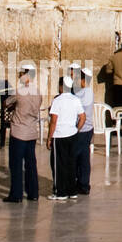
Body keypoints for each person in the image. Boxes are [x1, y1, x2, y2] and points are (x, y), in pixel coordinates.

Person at [4, 65, 41, 203]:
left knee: (16, 164)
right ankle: (33, 193)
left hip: (19, 132)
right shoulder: (38, 92)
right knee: (31, 164)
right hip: (31, 132)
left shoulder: (19, 92)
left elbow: (7, 103)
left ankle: (16, 194)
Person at [47, 76, 86, 201]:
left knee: (58, 164)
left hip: (59, 135)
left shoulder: (57, 100)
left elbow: (53, 121)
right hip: (72, 134)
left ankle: (60, 192)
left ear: (60, 86)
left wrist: (49, 137)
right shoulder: (75, 99)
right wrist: (76, 129)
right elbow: (83, 117)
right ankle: (72, 190)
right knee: (71, 163)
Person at [72, 66, 95, 196]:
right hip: (85, 129)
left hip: (82, 130)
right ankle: (82, 183)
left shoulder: (86, 93)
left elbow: (78, 109)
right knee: (82, 157)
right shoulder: (82, 92)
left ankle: (82, 184)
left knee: (79, 158)